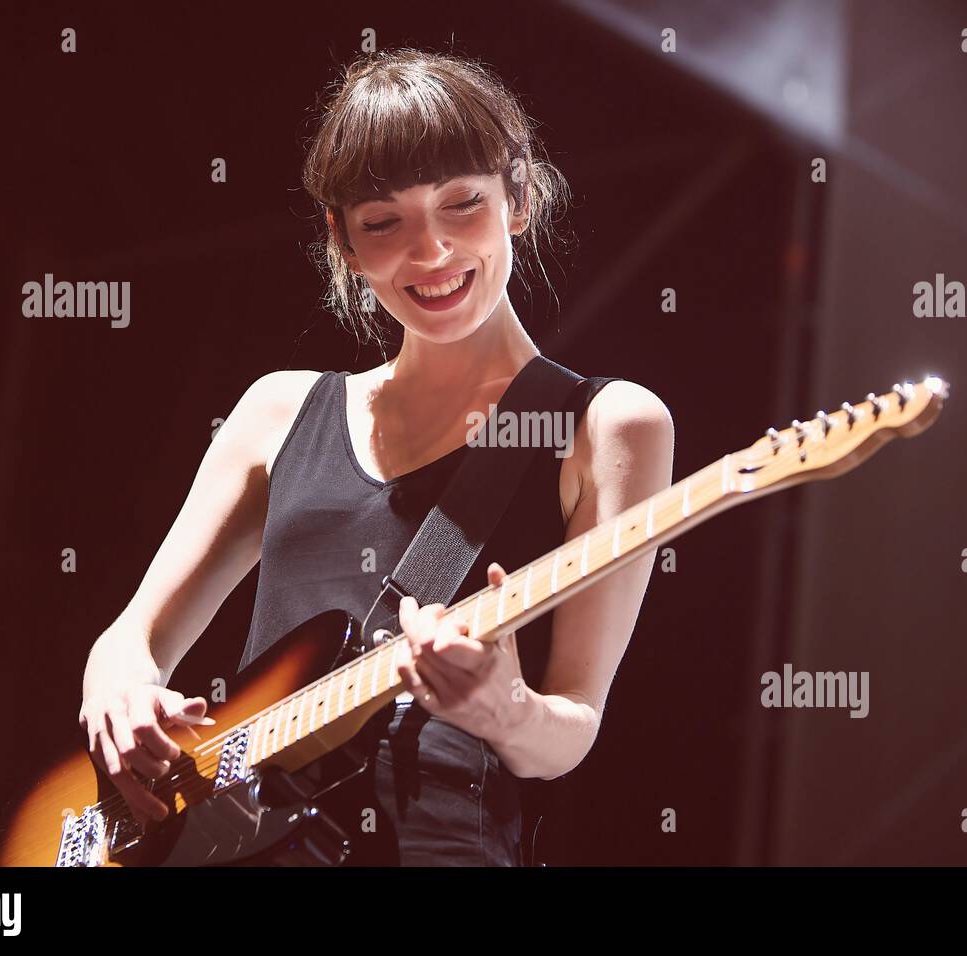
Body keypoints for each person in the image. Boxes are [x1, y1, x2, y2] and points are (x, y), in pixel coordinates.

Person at [78, 47, 674, 866]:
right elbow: (129, 640)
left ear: (520, 198)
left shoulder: (609, 423)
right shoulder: (279, 411)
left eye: (462, 204)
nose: (429, 253)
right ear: (344, 243)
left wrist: (502, 710)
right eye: (384, 222)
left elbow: (569, 730)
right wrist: (116, 689)